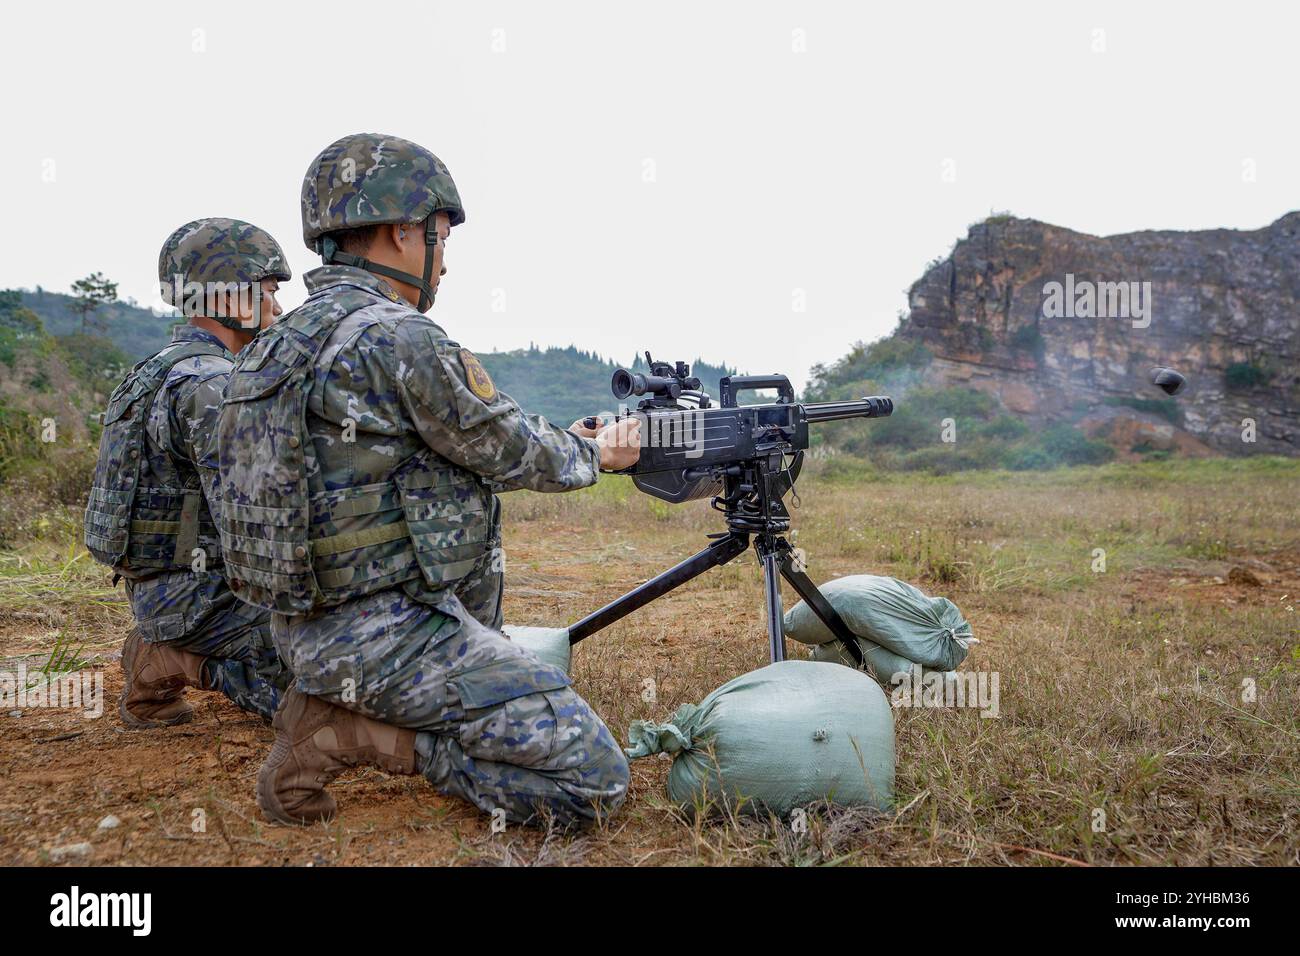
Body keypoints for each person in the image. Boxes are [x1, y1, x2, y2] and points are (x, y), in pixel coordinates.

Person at [216, 133, 640, 828]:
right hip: (383, 635)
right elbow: (504, 447)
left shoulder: (276, 342)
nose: (444, 264)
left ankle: (340, 705)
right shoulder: (395, 336)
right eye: (441, 238)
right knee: (593, 781)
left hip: (300, 629)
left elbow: (436, 450)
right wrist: (598, 455)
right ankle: (356, 732)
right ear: (404, 232)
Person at [84, 219, 293, 727]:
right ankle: (175, 655)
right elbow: (260, 522)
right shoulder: (214, 383)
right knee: (343, 694)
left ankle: (164, 642)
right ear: (233, 298)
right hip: (203, 600)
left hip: (163, 591)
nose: (278, 308)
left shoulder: (154, 368)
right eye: (269, 292)